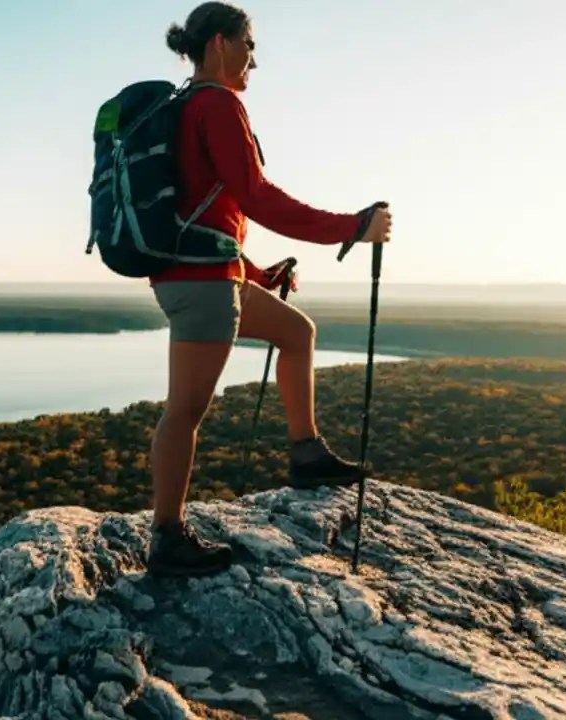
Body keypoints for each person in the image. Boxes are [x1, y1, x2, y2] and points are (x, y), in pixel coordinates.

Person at [146, 1, 393, 577]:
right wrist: (350, 226)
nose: (254, 59)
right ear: (219, 45)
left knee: (296, 332)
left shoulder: (188, 107)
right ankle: (167, 535)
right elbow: (255, 195)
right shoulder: (217, 104)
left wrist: (256, 275)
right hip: (201, 288)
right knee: (185, 410)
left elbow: (207, 215)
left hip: (211, 276)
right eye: (249, 44)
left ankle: (306, 454)